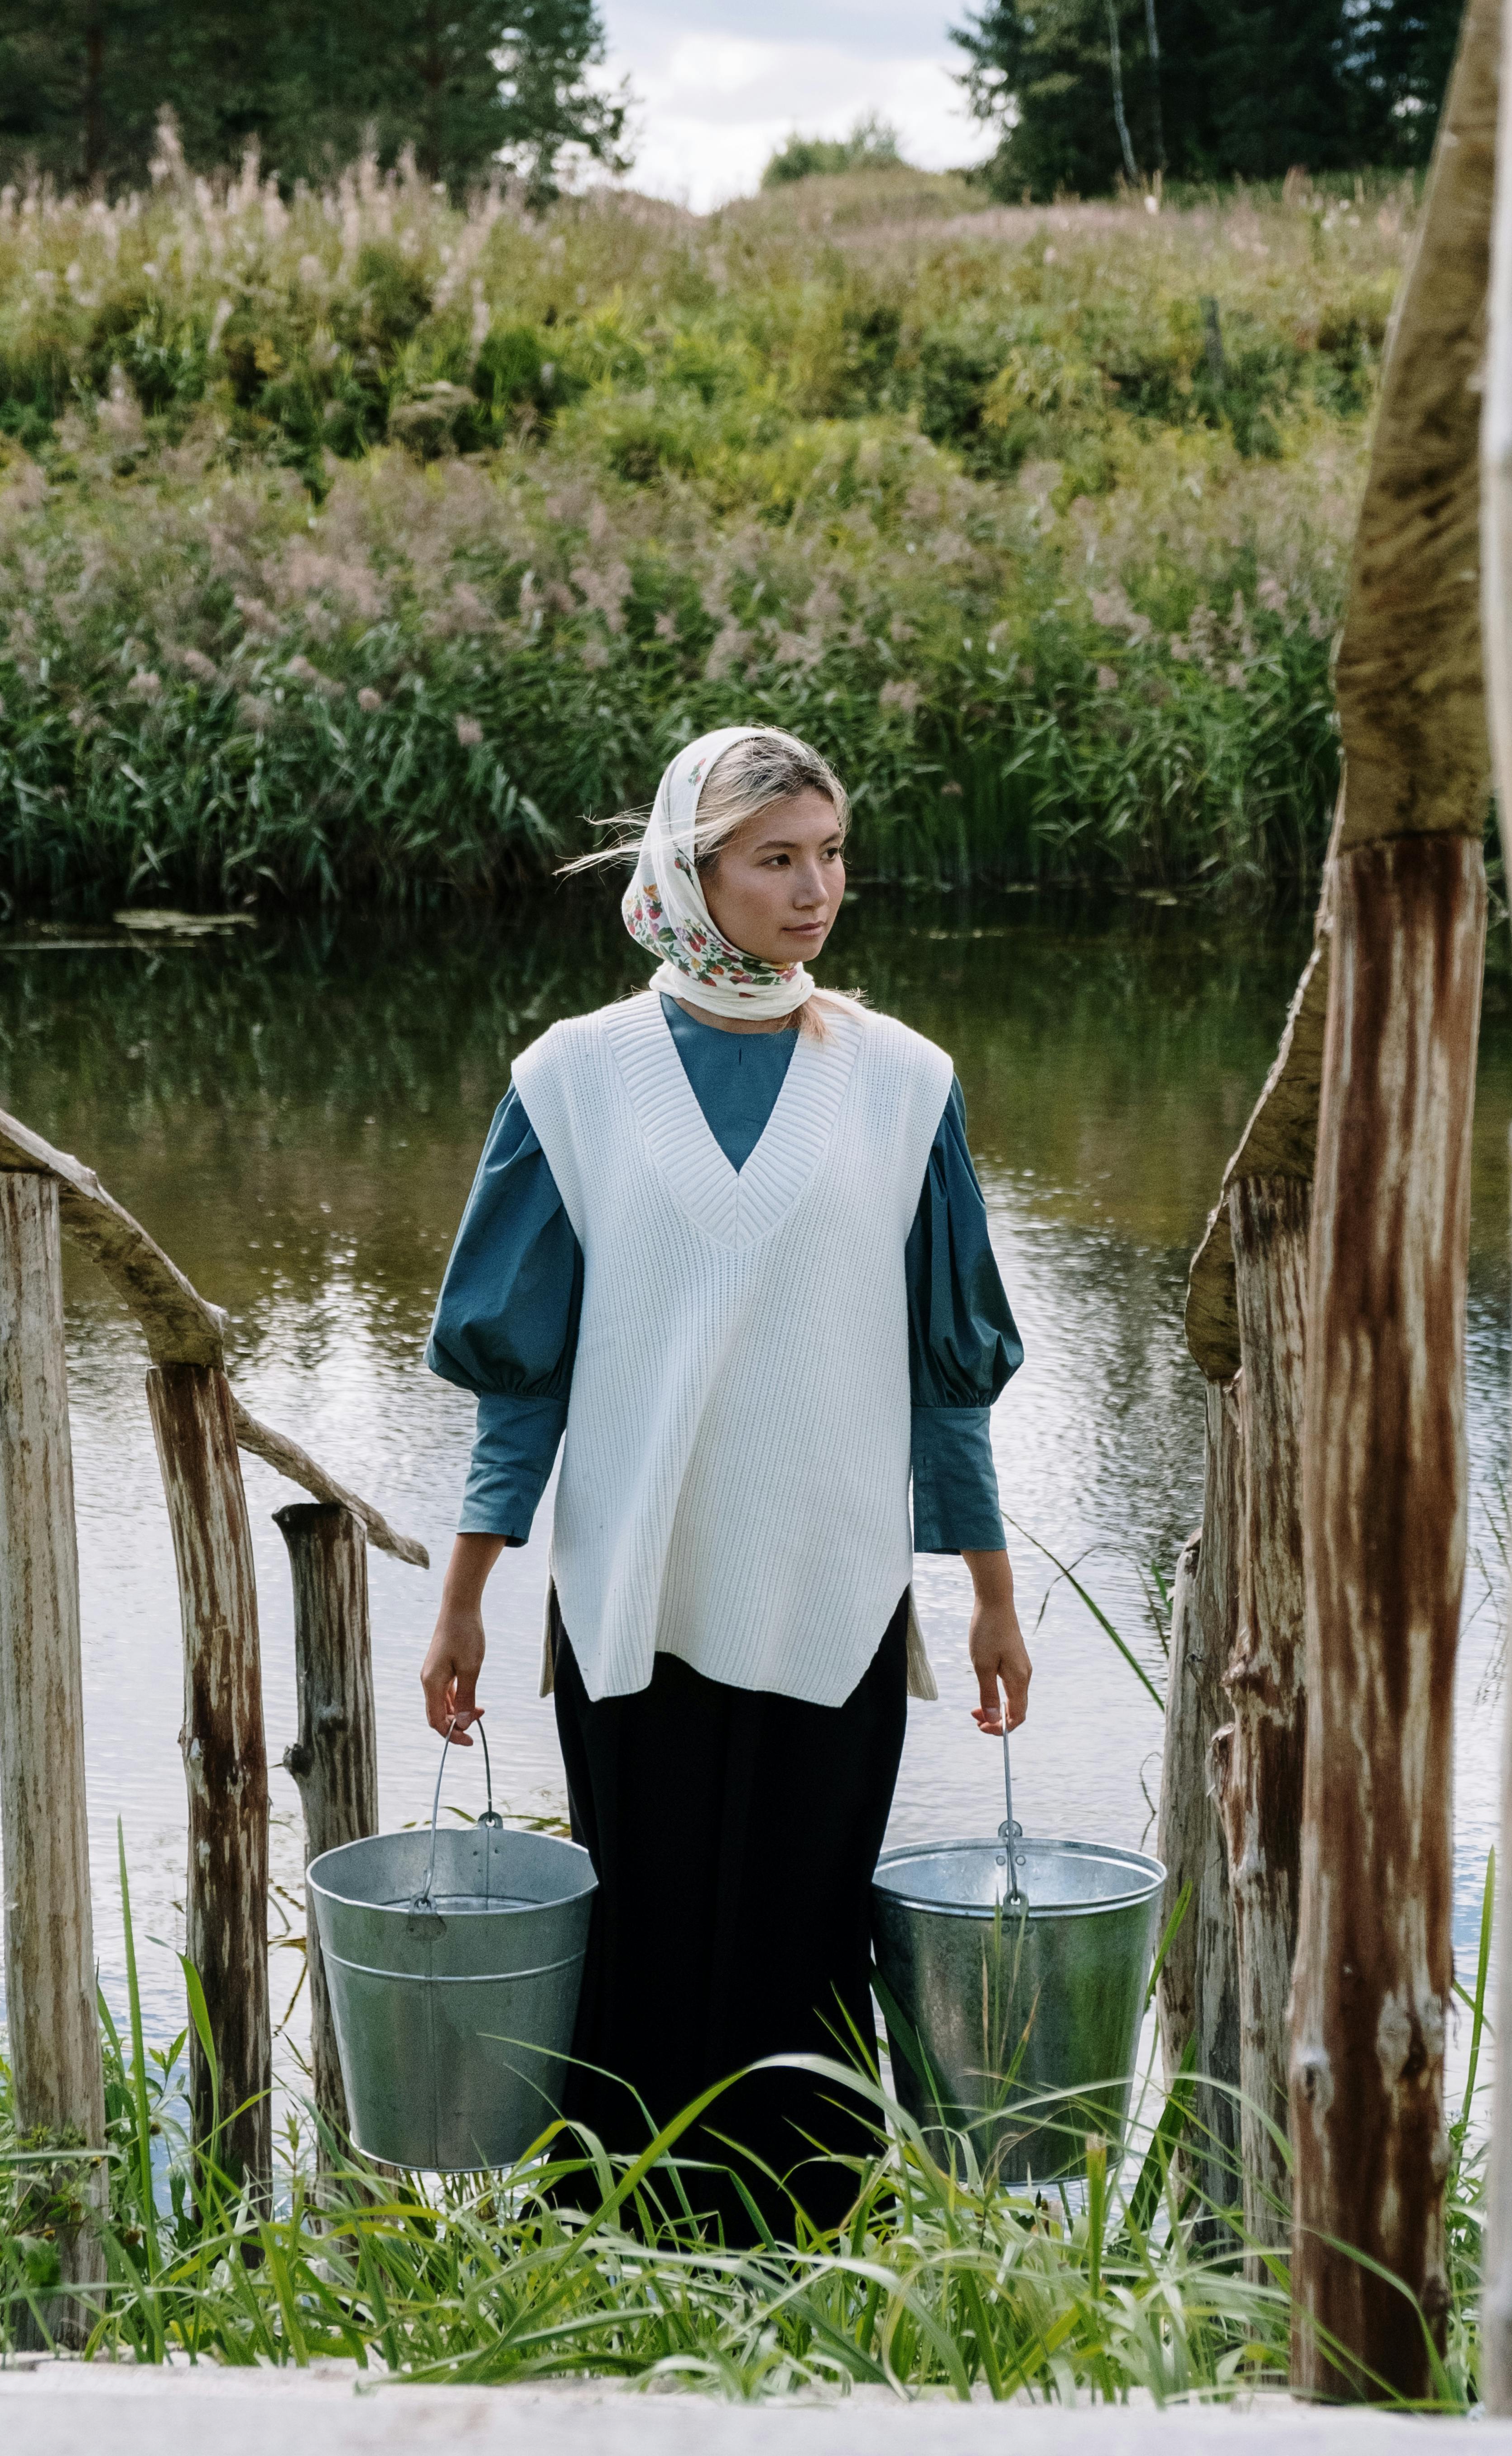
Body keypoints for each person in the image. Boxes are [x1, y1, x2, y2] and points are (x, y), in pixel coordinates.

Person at [419, 722, 1030, 2235]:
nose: (816, 891)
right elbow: (521, 1378)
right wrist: (465, 1600)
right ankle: (619, 2250)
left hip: (836, 1594)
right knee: (641, 1932)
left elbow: (948, 1376)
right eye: (776, 860)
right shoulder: (575, 1080)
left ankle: (812, 2255)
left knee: (808, 1942)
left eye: (831, 855)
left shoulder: (904, 1084)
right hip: (637, 1590)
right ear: (692, 874)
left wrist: (991, 1599)